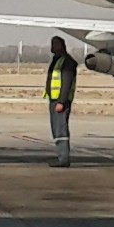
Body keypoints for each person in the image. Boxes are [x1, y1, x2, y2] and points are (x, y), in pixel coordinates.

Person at [44, 35, 79, 165]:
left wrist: (61, 102)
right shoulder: (57, 60)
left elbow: (67, 82)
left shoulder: (67, 62)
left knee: (61, 129)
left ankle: (63, 158)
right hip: (54, 99)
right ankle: (60, 156)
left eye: (55, 44)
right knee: (56, 129)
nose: (52, 47)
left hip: (60, 101)